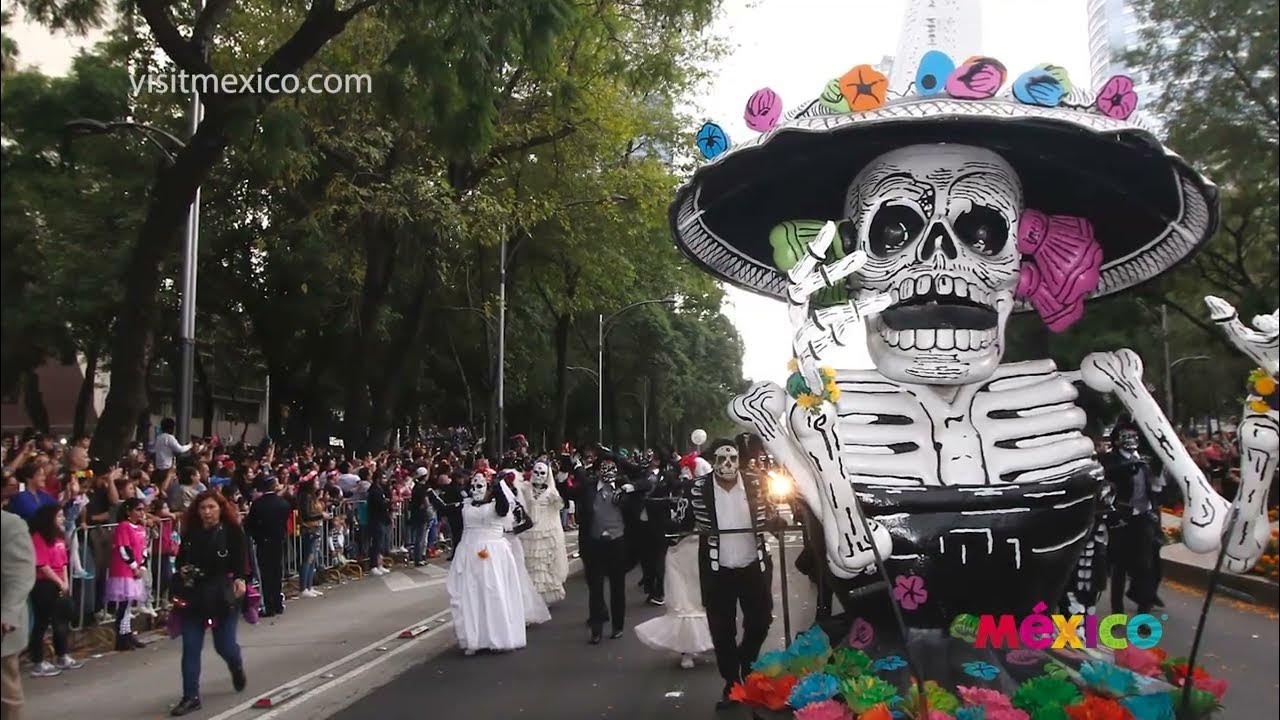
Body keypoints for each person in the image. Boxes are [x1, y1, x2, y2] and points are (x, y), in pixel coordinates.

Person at [674, 438, 778, 710]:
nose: (728, 465)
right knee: (722, 630)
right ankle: (732, 681)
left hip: (752, 566)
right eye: (722, 459)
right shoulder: (697, 489)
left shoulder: (757, 482)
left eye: (732, 459)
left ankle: (746, 659)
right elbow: (682, 522)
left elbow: (771, 514)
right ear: (714, 462)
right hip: (717, 570)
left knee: (761, 619)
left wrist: (777, 521)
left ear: (739, 460)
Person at [169, 491, 250, 716]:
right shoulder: (192, 533)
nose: (207, 512)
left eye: (211, 507)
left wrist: (241, 579)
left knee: (224, 645)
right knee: (191, 647)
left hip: (221, 595)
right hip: (194, 595)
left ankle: (236, 665)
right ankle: (190, 696)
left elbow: (240, 560)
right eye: (203, 508)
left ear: (220, 508)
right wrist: (184, 573)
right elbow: (180, 561)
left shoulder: (231, 531)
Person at [635, 457, 714, 669]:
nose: (685, 475)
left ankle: (705, 642)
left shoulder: (708, 494)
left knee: (700, 599)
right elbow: (662, 514)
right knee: (682, 600)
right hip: (679, 551)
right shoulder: (672, 489)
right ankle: (687, 648)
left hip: (700, 550)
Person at [562, 449, 645, 644]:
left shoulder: (623, 487)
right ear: (598, 471)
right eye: (605, 468)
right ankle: (597, 628)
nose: (608, 471)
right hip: (594, 543)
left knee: (617, 587)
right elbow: (567, 491)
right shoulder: (589, 487)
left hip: (618, 542)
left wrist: (628, 488)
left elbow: (644, 480)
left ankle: (617, 626)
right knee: (596, 588)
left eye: (612, 468)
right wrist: (565, 470)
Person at [447, 473, 526, 655]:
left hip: (494, 554)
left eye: (481, 485)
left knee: (494, 591)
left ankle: (498, 636)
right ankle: (474, 638)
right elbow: (446, 510)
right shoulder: (465, 506)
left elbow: (503, 509)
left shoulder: (496, 505)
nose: (477, 489)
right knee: (471, 594)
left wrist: (497, 487)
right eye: (474, 485)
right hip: (469, 552)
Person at [1104, 423, 1165, 614]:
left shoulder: (1144, 460)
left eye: (1134, 436)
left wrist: (1154, 510)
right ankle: (1117, 611)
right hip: (1122, 518)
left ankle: (1143, 611)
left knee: (1145, 565)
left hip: (1143, 518)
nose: (1131, 440)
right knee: (1119, 568)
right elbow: (1112, 473)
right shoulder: (1110, 459)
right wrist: (1131, 466)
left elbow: (1153, 487)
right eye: (1126, 436)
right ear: (1116, 440)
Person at [25, 504, 85, 678]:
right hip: (43, 584)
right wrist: (59, 581)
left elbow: (64, 562)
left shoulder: (59, 537)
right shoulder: (38, 538)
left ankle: (62, 655)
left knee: (61, 621)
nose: (62, 519)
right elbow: (42, 565)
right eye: (58, 516)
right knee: (42, 622)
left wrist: (65, 582)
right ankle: (37, 661)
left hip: (60, 583)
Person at [2, 483, 36, 720]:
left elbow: (21, 574)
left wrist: (8, 612)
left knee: (6, 696)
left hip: (3, 624)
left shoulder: (10, 525)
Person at [519, 460, 568, 603]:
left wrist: (557, 499)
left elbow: (559, 506)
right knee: (529, 564)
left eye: (542, 473)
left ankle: (541, 598)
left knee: (542, 566)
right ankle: (529, 599)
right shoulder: (525, 488)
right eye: (536, 472)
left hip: (544, 532)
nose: (539, 475)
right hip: (528, 532)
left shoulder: (551, 491)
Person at [106, 498, 151, 651]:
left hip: (136, 568)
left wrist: (142, 564)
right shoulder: (124, 527)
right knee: (123, 605)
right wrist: (133, 566)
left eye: (142, 510)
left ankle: (127, 633)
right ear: (128, 511)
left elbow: (144, 547)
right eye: (138, 510)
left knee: (128, 606)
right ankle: (121, 636)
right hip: (124, 569)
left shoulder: (140, 528)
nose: (141, 513)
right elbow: (124, 548)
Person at [245, 476, 291, 617]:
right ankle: (278, 603)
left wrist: (256, 534)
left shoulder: (258, 504)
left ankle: (269, 605)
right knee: (277, 572)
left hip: (263, 541)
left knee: (266, 574)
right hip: (278, 540)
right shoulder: (282, 503)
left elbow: (250, 524)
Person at [296, 478, 327, 598]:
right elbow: (307, 515)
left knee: (312, 558)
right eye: (316, 482)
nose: (318, 484)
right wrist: (321, 515)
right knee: (307, 558)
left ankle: (309, 586)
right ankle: (303, 587)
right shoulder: (306, 497)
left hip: (315, 528)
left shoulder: (312, 496)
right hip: (309, 529)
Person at [409, 467, 437, 566]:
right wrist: (429, 508)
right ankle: (419, 558)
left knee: (419, 537)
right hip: (422, 515)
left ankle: (418, 557)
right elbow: (426, 502)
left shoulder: (415, 487)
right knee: (420, 537)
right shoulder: (422, 488)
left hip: (416, 514)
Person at [366, 472, 392, 576]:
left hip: (382, 519)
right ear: (378, 479)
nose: (385, 480)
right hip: (376, 519)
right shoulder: (374, 491)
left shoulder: (380, 489)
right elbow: (379, 504)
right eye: (383, 478)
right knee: (376, 543)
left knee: (380, 543)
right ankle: (373, 565)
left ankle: (379, 564)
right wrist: (386, 502)